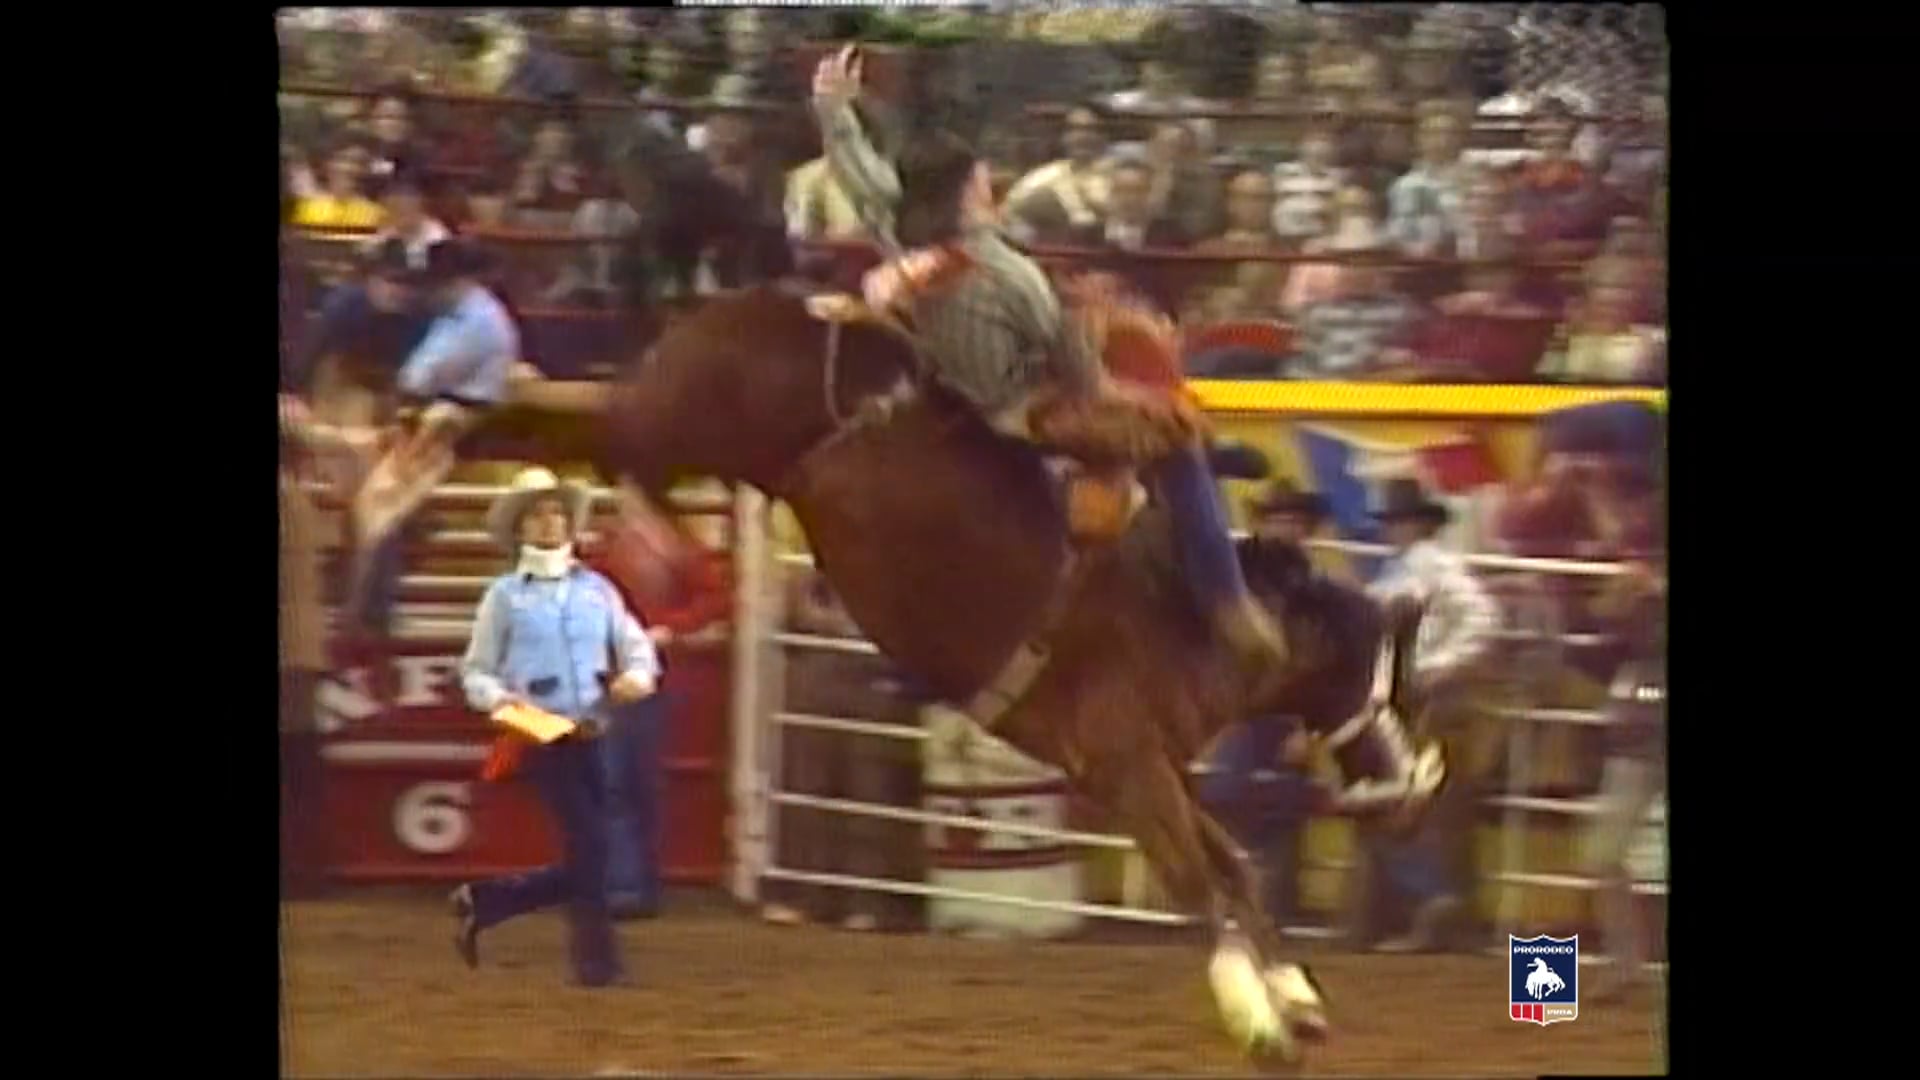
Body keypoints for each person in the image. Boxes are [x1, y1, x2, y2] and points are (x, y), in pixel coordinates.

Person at [808, 45, 1291, 673]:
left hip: (960, 391)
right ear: (965, 192)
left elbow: (864, 181)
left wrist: (833, 110)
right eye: (981, 178)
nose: (990, 182)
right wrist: (1112, 385)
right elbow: (1064, 350)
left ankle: (1197, 478)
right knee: (1174, 429)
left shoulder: (904, 235)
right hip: (1028, 408)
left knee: (1131, 355)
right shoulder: (1003, 271)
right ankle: (1227, 602)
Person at [449, 467, 662, 987]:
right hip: (538, 733)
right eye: (539, 513)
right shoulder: (504, 597)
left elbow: (636, 646)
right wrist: (509, 708)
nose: (550, 522)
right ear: (520, 528)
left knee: (592, 849)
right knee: (592, 843)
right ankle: (596, 965)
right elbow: (476, 671)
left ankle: (489, 901)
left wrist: (637, 677)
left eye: (557, 512)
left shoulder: (598, 591)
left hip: (592, 728)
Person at [1357, 477, 1499, 953]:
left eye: (1401, 521)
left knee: (1412, 806)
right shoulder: (1409, 571)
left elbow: (1483, 618)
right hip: (1408, 702)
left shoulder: (1430, 570)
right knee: (1413, 806)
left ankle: (1431, 905)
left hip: (1425, 704)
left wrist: (1434, 668)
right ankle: (1431, 909)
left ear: (1417, 524)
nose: (1396, 529)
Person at [351, 238, 521, 580]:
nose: (426, 292)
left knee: (381, 502)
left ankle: (375, 572)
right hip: (435, 413)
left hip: (455, 420)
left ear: (455, 281)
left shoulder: (477, 320)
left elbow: (418, 379)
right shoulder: (457, 314)